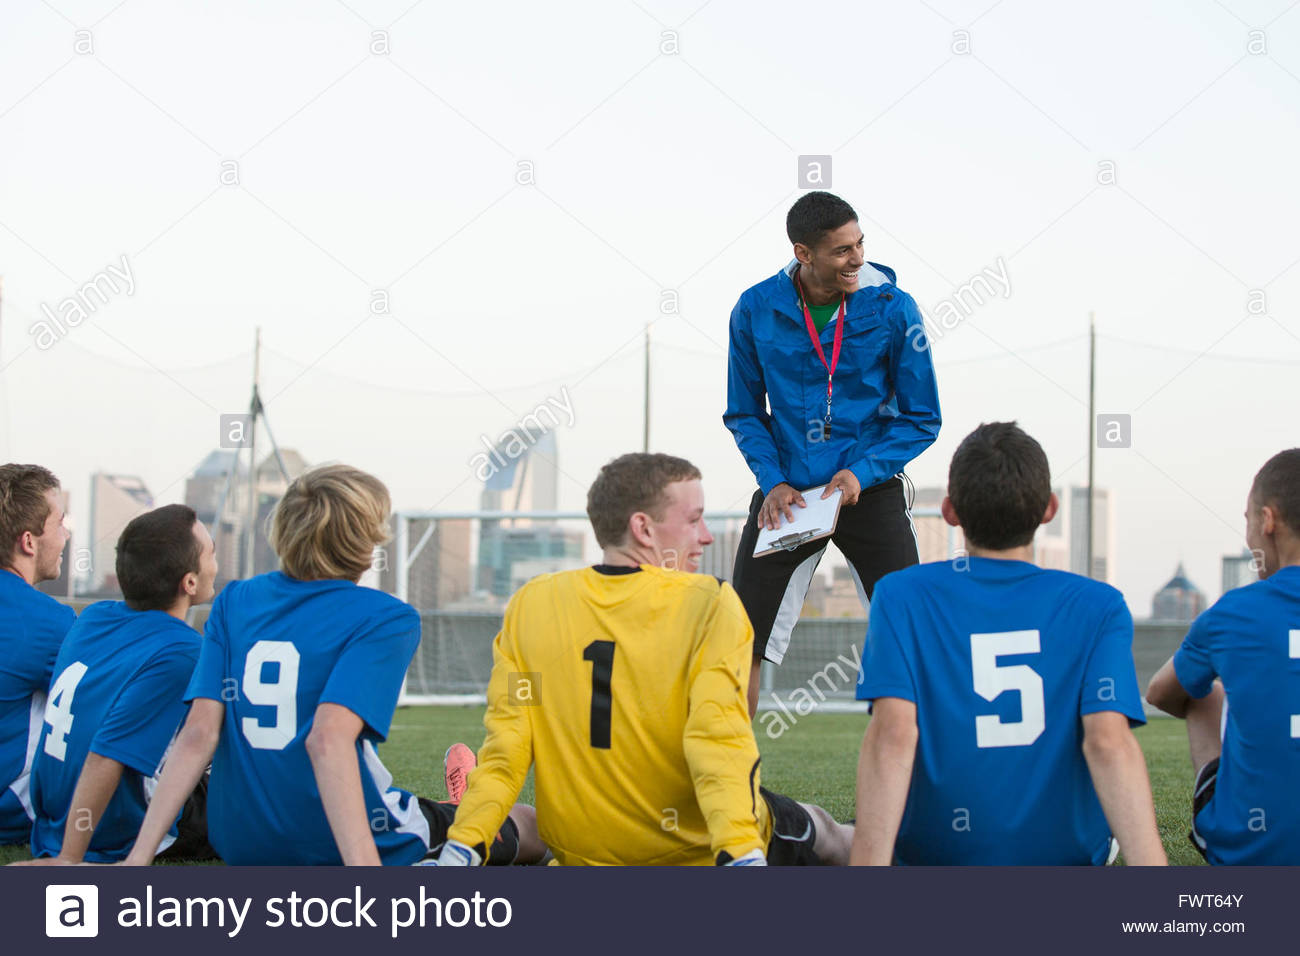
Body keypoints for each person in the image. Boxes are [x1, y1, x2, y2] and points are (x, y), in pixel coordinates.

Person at [430, 453, 853, 866]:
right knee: (826, 831)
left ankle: (457, 831)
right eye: (693, 519)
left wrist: (461, 849)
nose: (705, 535)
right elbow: (718, 743)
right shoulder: (710, 603)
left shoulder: (530, 605)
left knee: (532, 824)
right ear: (643, 529)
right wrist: (742, 854)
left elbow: (506, 750)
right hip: (693, 848)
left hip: (582, 848)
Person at [123, 464, 543, 866]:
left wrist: (137, 860)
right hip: (342, 840)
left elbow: (198, 734)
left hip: (240, 840)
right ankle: (461, 807)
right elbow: (327, 741)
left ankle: (455, 805)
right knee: (532, 823)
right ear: (365, 543)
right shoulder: (385, 617)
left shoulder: (234, 602)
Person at [852, 423, 1165, 865]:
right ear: (1049, 509)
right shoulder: (1099, 605)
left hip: (937, 855)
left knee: (831, 834)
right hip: (1061, 859)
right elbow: (1107, 744)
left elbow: (894, 735)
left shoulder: (902, 595)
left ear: (949, 511)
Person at [724, 191, 942, 715]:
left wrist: (860, 474)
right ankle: (730, 780)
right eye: (843, 250)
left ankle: (913, 774)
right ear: (804, 253)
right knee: (737, 642)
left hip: (868, 490)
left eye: (860, 243)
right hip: (787, 495)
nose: (858, 259)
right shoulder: (754, 308)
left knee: (908, 633)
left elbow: (922, 418)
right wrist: (773, 481)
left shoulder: (895, 307)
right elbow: (745, 412)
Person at [19, 505, 218, 864]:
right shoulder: (182, 652)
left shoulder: (93, 617)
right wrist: (69, 859)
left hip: (53, 818)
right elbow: (106, 754)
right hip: (115, 827)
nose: (215, 560)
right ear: (189, 582)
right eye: (211, 553)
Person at [1146, 449, 1300, 865]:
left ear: (1268, 521)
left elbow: (1160, 693)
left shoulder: (1234, 611)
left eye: (1247, 520)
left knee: (1200, 690)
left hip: (1252, 855)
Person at [0, 464, 75, 844]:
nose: (66, 533)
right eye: (60, 523)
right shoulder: (49, 621)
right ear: (28, 541)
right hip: (10, 809)